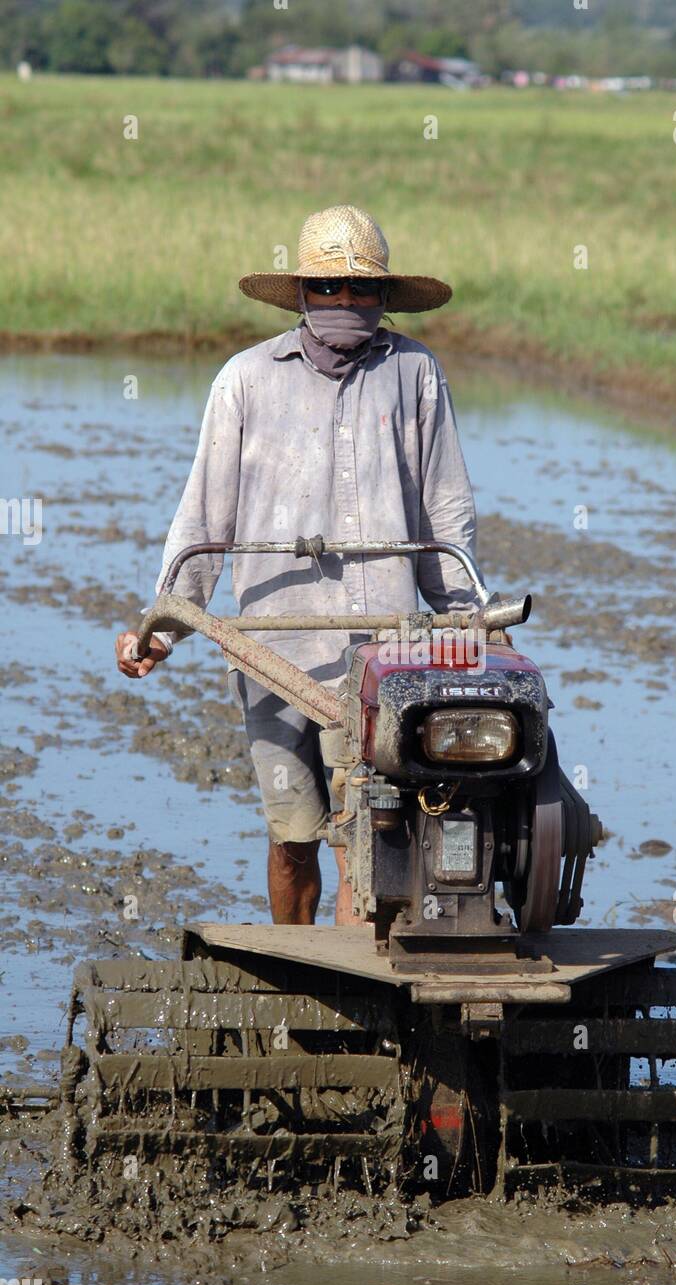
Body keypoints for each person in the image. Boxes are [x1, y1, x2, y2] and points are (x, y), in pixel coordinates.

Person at [114, 205, 478, 927]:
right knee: (291, 838)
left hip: (383, 656)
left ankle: (356, 1007)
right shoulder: (247, 380)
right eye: (330, 290)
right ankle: (298, 979)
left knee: (367, 838)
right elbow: (204, 520)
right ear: (303, 294)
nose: (346, 304)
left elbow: (445, 513)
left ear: (384, 299)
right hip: (274, 650)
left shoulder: (415, 375)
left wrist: (470, 621)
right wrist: (162, 625)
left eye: (362, 292)